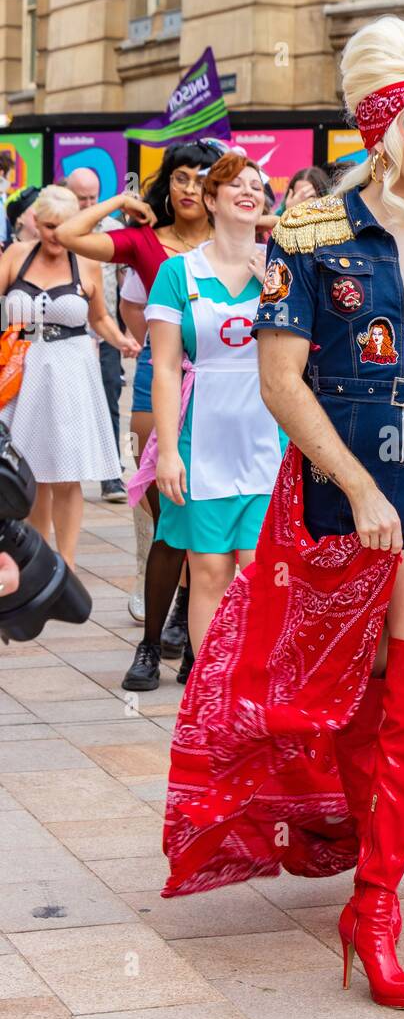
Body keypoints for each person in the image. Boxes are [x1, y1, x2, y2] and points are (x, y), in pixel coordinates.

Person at [161, 15, 404, 1014]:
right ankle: (333, 822)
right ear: (384, 132)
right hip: (337, 494)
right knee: (337, 696)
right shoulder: (312, 233)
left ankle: (374, 904)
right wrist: (363, 487)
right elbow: (283, 382)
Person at [55, 141, 223, 688]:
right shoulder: (147, 243)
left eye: (203, 178)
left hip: (224, 385)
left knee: (210, 518)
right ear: (167, 184)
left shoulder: (237, 242)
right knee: (168, 514)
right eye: (181, 178)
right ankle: (152, 643)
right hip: (161, 376)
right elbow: (69, 235)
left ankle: (189, 628)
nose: (191, 187)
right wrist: (120, 202)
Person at [146, 153, 287, 656]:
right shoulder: (177, 272)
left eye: (257, 185)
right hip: (201, 442)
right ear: (211, 200)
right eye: (235, 186)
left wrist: (273, 287)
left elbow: (310, 353)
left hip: (269, 439)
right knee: (207, 572)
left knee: (260, 570)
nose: (249, 191)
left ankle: (257, 687)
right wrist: (167, 452)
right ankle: (208, 697)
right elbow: (163, 367)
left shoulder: (281, 268)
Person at [0, 186, 139, 568]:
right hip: (21, 370)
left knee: (65, 471)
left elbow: (99, 318)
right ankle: (36, 559)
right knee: (29, 471)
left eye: (63, 227)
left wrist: (123, 341)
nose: (55, 236)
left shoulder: (87, 261)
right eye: (48, 226)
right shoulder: (15, 255)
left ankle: (68, 562)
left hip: (70, 371)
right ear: (34, 222)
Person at [64, 167, 126, 502]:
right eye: (80, 197)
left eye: (92, 197)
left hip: (104, 332)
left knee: (109, 398)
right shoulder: (59, 231)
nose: (87, 203)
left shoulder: (114, 230)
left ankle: (111, 475)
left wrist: (123, 332)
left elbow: (125, 282)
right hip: (65, 335)